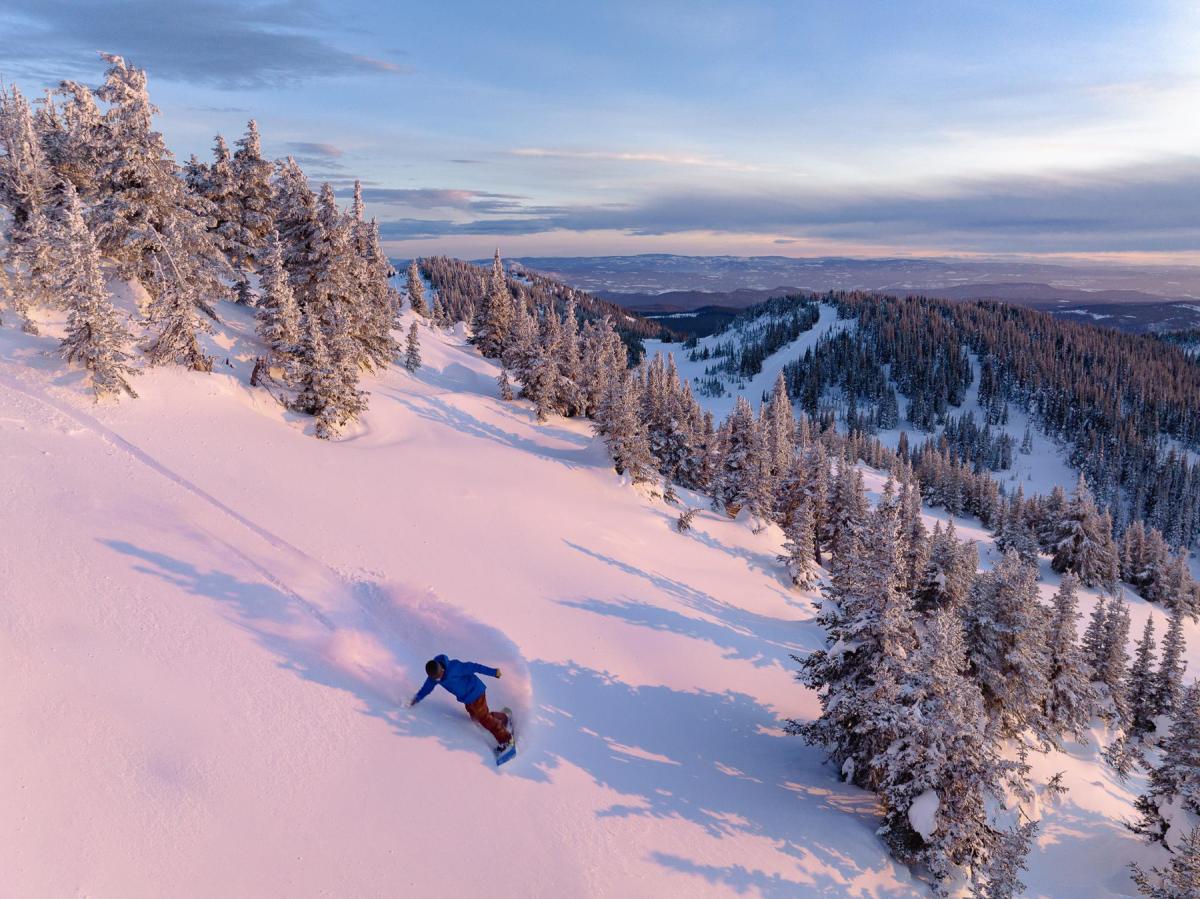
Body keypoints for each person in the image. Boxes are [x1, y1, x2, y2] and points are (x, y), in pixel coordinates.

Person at [410, 654, 512, 749]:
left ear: (441, 668)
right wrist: (417, 698)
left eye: (440, 675)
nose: (439, 678)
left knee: (484, 719)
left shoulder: (454, 667)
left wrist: (494, 672)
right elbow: (426, 688)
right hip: (467, 699)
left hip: (476, 692)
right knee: (476, 718)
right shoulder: (434, 677)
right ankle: (502, 718)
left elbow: (474, 667)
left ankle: (506, 740)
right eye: (437, 678)